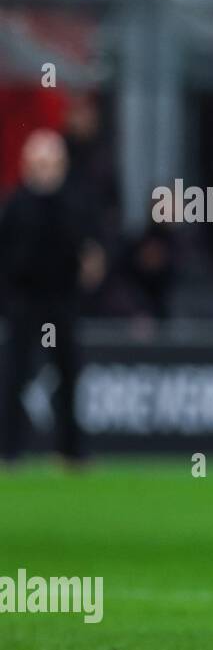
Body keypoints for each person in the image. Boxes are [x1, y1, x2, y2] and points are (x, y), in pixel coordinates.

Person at [0, 129, 101, 464]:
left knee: (69, 374)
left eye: (51, 163)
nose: (45, 170)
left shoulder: (75, 202)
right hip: (24, 301)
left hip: (62, 301)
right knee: (15, 374)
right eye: (39, 163)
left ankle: (71, 451)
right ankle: (10, 449)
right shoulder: (15, 205)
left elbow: (92, 251)